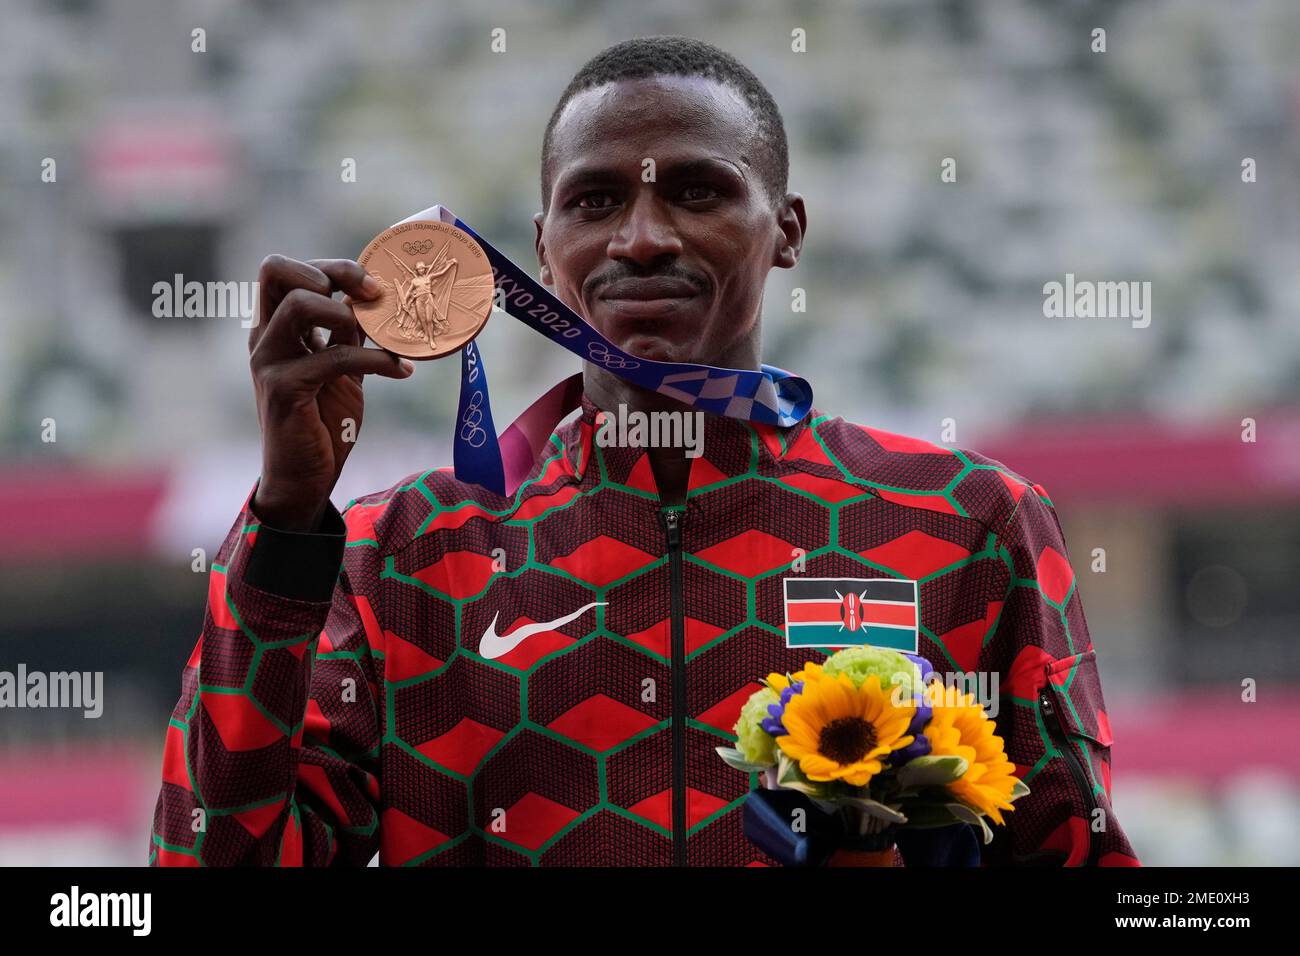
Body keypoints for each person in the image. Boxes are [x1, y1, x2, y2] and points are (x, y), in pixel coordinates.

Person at [150, 35, 1139, 867]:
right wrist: (284, 523)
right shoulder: (398, 554)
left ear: (786, 228)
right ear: (541, 249)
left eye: (700, 192)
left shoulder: (966, 522)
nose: (643, 238)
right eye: (593, 202)